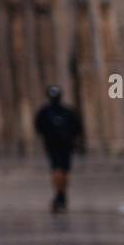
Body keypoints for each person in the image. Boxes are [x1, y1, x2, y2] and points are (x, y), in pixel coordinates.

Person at [34, 85, 82, 213]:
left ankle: (60, 194)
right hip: (65, 146)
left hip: (53, 145)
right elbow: (77, 128)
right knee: (63, 171)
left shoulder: (44, 112)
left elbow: (38, 128)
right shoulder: (68, 112)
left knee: (57, 170)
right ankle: (61, 195)